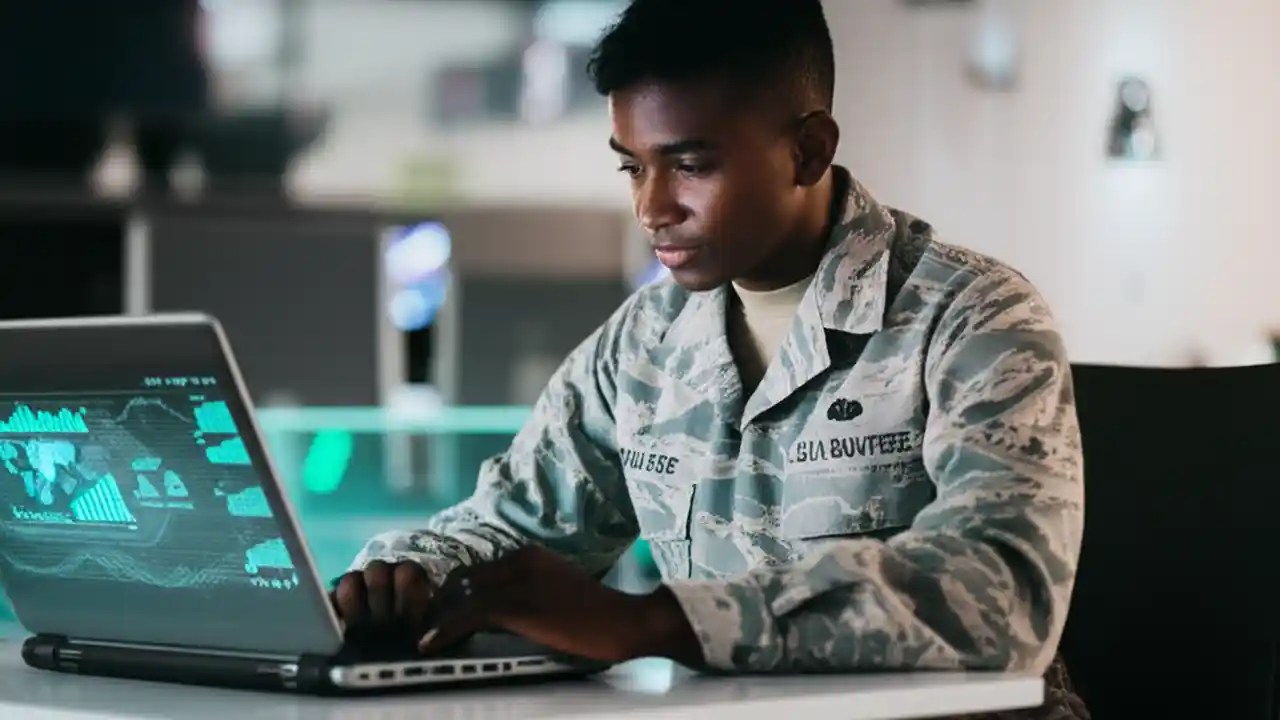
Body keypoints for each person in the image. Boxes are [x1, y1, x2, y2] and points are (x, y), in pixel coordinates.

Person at [334, 1, 1090, 717]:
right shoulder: (645, 344)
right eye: (632, 167)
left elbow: (1004, 592)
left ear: (807, 150)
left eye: (690, 165)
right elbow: (514, 526)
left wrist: (659, 624)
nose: (651, 207)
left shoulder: (972, 317)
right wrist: (404, 580)